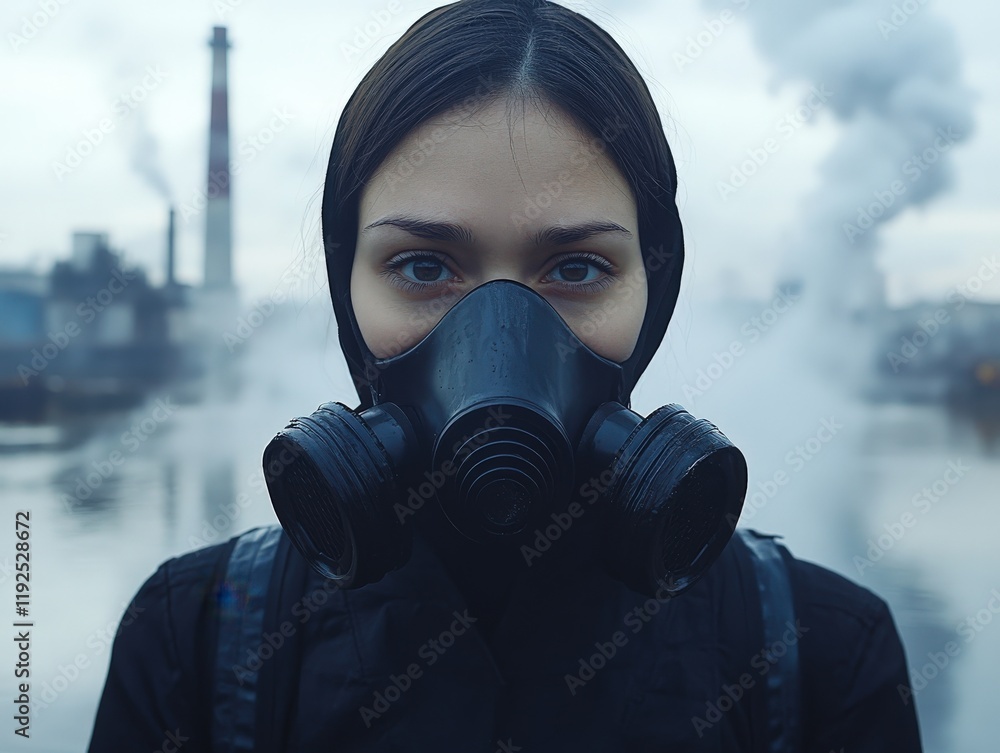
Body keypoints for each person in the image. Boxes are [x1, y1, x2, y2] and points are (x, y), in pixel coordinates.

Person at [86, 0, 924, 750]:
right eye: (422, 266)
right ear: (346, 285)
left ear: (655, 286)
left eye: (576, 267)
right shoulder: (192, 640)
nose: (499, 343)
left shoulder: (821, 653)